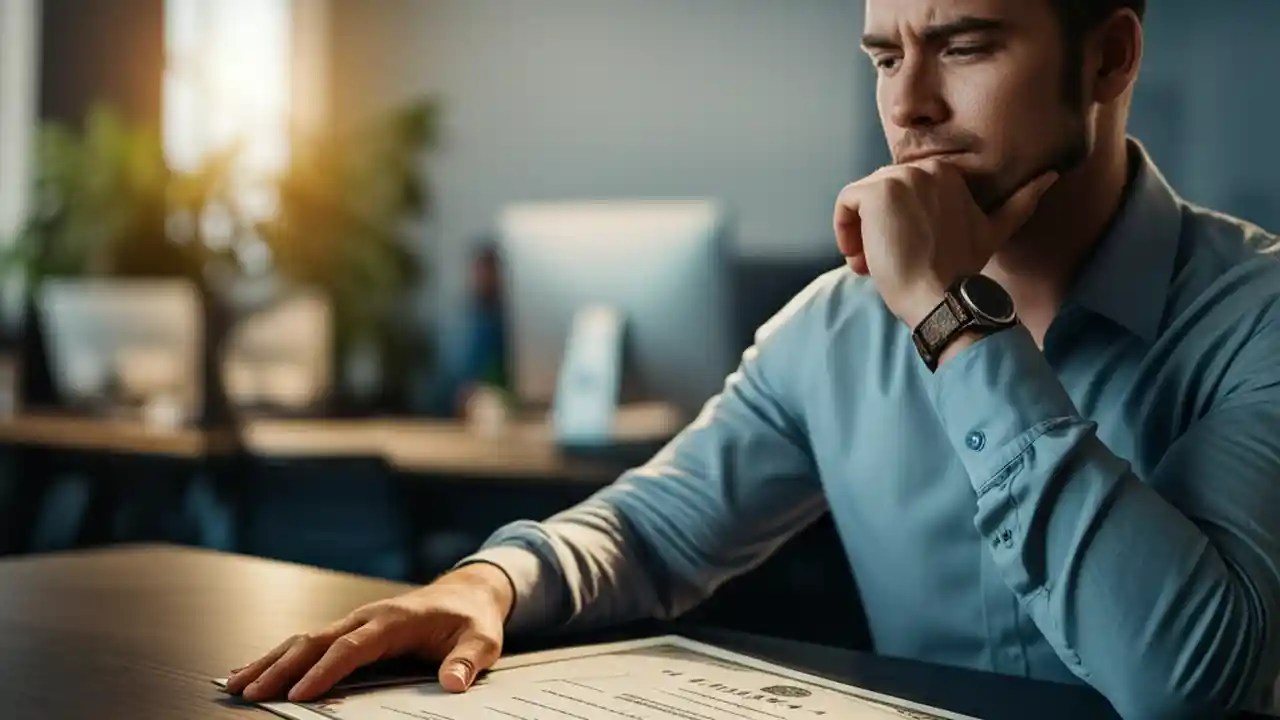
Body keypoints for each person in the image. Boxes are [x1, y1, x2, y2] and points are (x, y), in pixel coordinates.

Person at [226, 0, 1280, 716]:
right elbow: (650, 530)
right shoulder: (833, 325)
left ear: (1107, 58)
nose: (906, 105)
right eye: (881, 55)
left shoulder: (1256, 316)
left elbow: (1182, 684)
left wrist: (951, 316)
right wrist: (491, 579)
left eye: (963, 46)